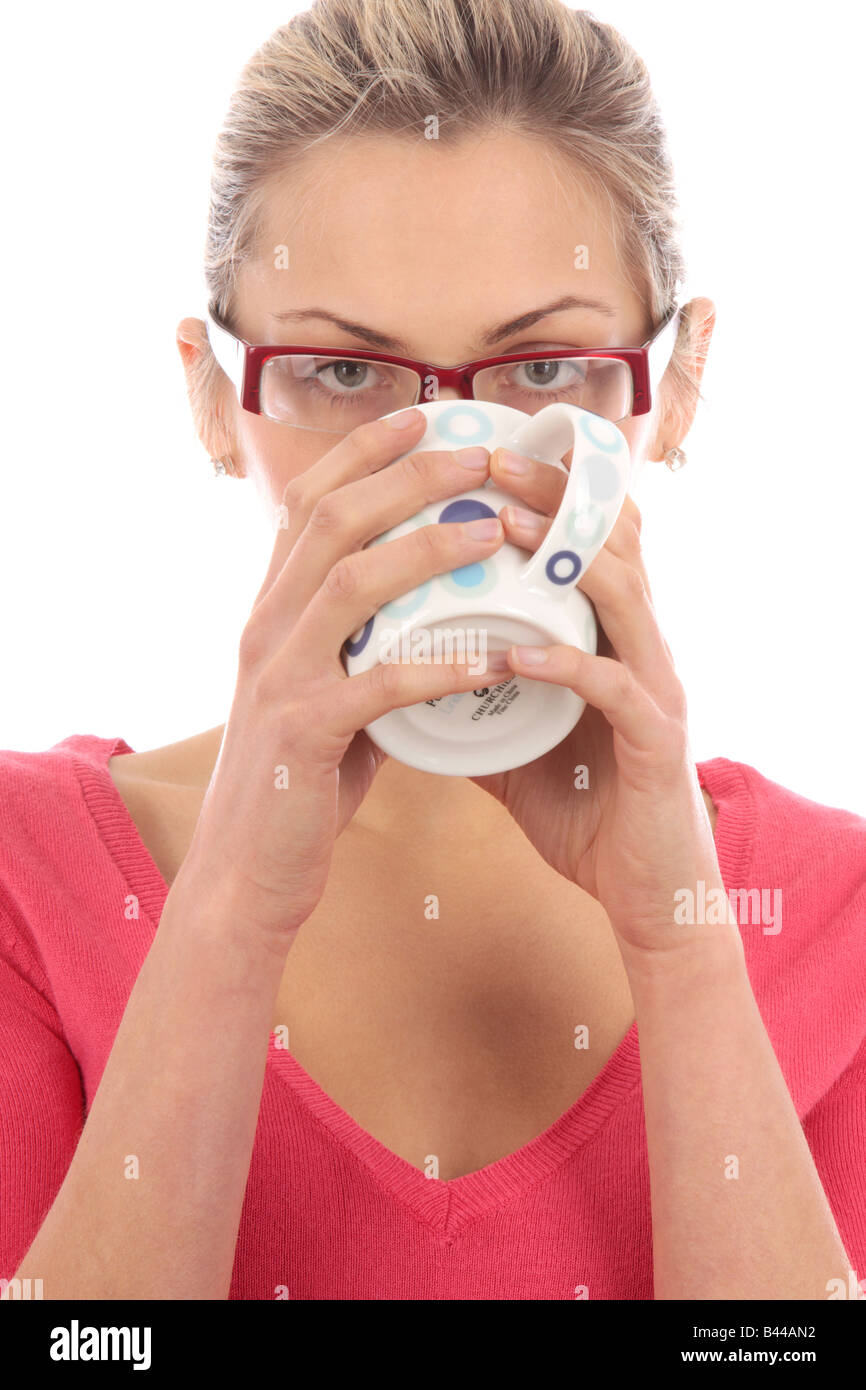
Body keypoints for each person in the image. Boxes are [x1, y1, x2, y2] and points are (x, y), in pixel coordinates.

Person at [2, 0, 864, 1302]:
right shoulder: (31, 875)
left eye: (540, 369)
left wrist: (686, 947)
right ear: (213, 397)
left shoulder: (830, 910)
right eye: (344, 375)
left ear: (668, 384)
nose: (450, 462)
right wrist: (228, 918)